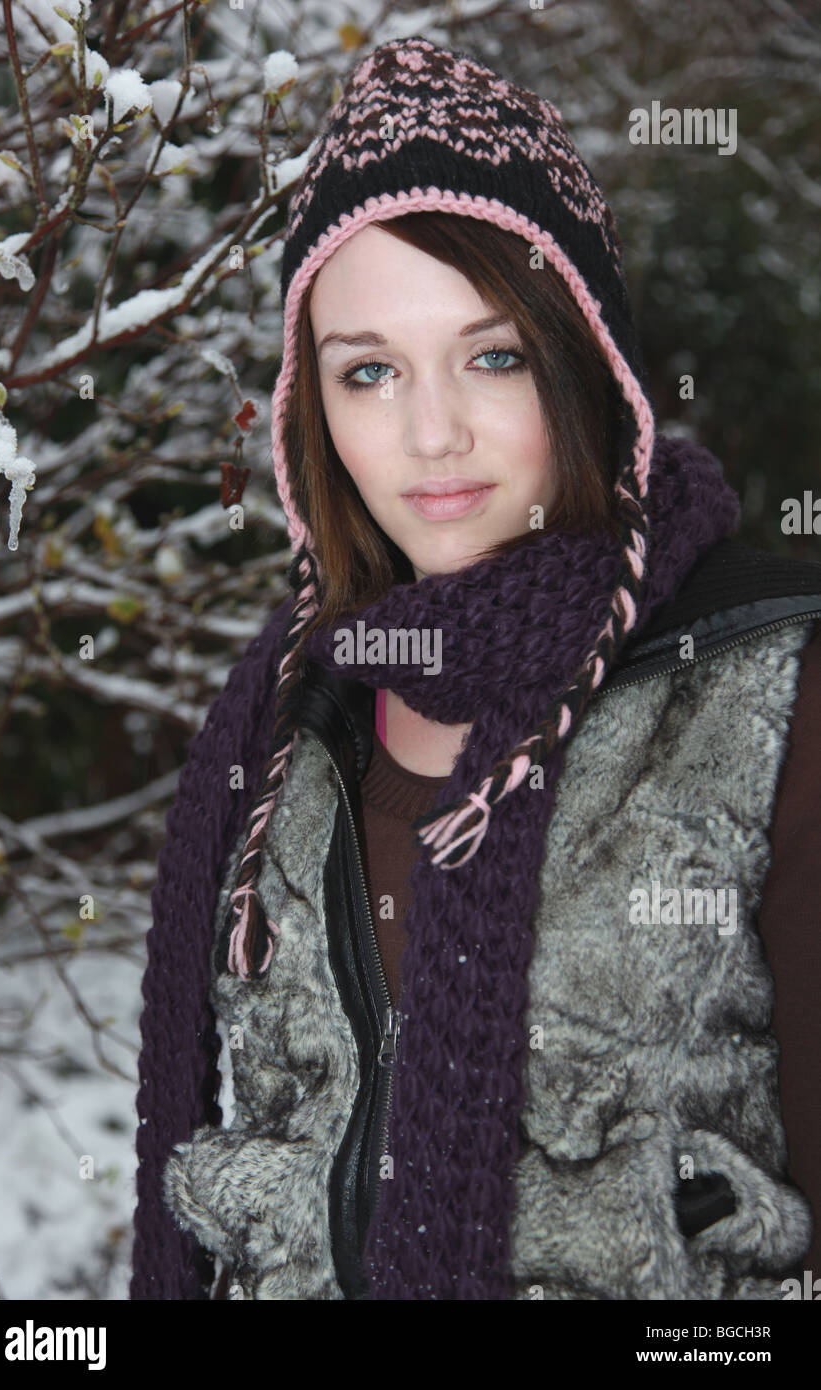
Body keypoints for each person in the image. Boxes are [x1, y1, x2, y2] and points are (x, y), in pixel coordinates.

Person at [130, 35, 821, 1301]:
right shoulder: (285, 721)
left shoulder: (765, 688)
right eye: (369, 371)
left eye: (491, 354)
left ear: (589, 360)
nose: (429, 430)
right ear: (311, 413)